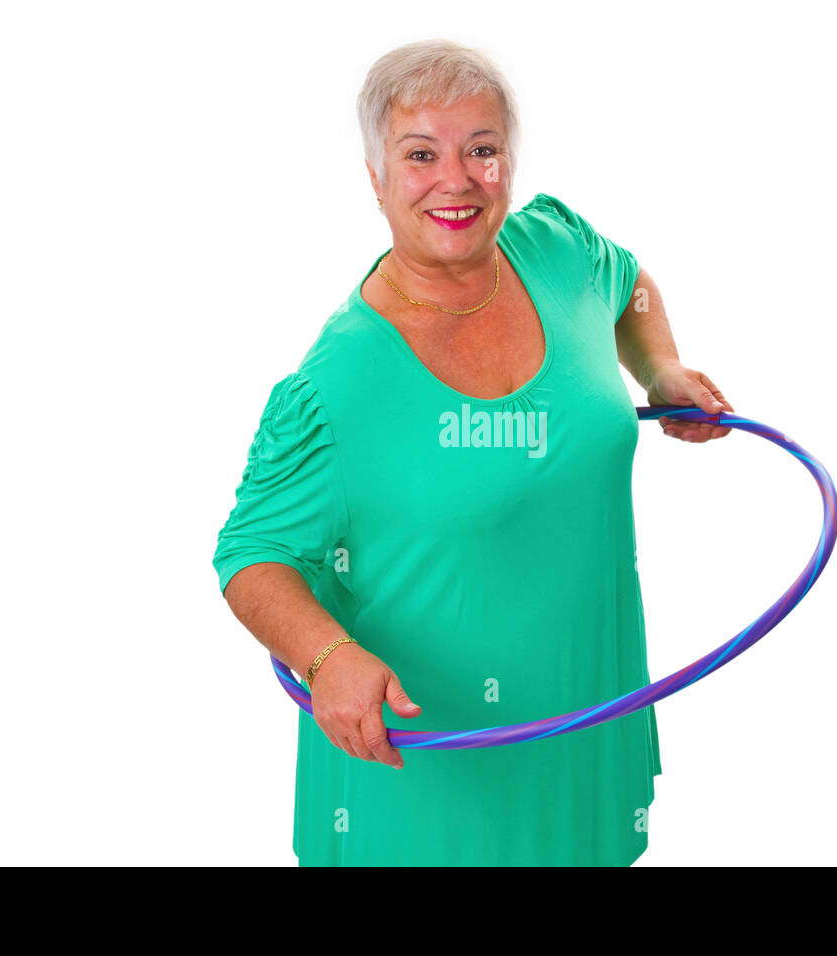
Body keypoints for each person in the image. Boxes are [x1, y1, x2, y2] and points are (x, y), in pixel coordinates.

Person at [212, 38, 734, 866]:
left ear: (509, 164)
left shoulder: (556, 251)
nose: (455, 180)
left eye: (482, 151)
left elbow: (629, 284)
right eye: (421, 154)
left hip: (580, 725)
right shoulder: (338, 384)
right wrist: (328, 655)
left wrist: (660, 366)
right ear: (376, 179)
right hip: (430, 786)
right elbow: (250, 555)